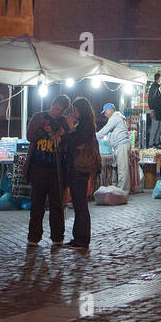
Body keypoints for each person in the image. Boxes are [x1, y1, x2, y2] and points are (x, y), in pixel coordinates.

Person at [22, 94, 71, 247]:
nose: (58, 112)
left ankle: (57, 237)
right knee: (37, 204)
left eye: (61, 111)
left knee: (57, 205)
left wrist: (62, 137)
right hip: (38, 168)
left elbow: (68, 141)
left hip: (56, 169)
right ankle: (34, 238)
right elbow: (30, 136)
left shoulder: (63, 121)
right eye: (57, 109)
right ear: (53, 104)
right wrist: (44, 132)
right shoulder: (38, 117)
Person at [62, 97, 101, 252]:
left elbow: (74, 143)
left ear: (81, 110)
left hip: (80, 168)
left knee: (80, 204)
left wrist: (70, 129)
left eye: (75, 110)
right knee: (78, 204)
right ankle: (78, 238)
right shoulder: (85, 125)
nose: (73, 112)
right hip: (78, 168)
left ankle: (82, 240)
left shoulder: (85, 126)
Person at [98, 102, 130, 191]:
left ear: (111, 110)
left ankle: (123, 192)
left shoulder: (115, 117)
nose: (105, 114)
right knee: (119, 169)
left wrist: (93, 136)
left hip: (121, 145)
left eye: (105, 112)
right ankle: (119, 190)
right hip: (119, 146)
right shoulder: (117, 117)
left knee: (122, 171)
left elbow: (104, 131)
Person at [146, 72, 161, 148]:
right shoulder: (154, 87)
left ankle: (157, 142)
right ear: (158, 79)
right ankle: (151, 143)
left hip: (158, 110)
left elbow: (158, 97)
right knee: (154, 127)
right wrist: (151, 110)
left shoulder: (157, 87)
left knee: (159, 126)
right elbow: (151, 99)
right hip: (155, 110)